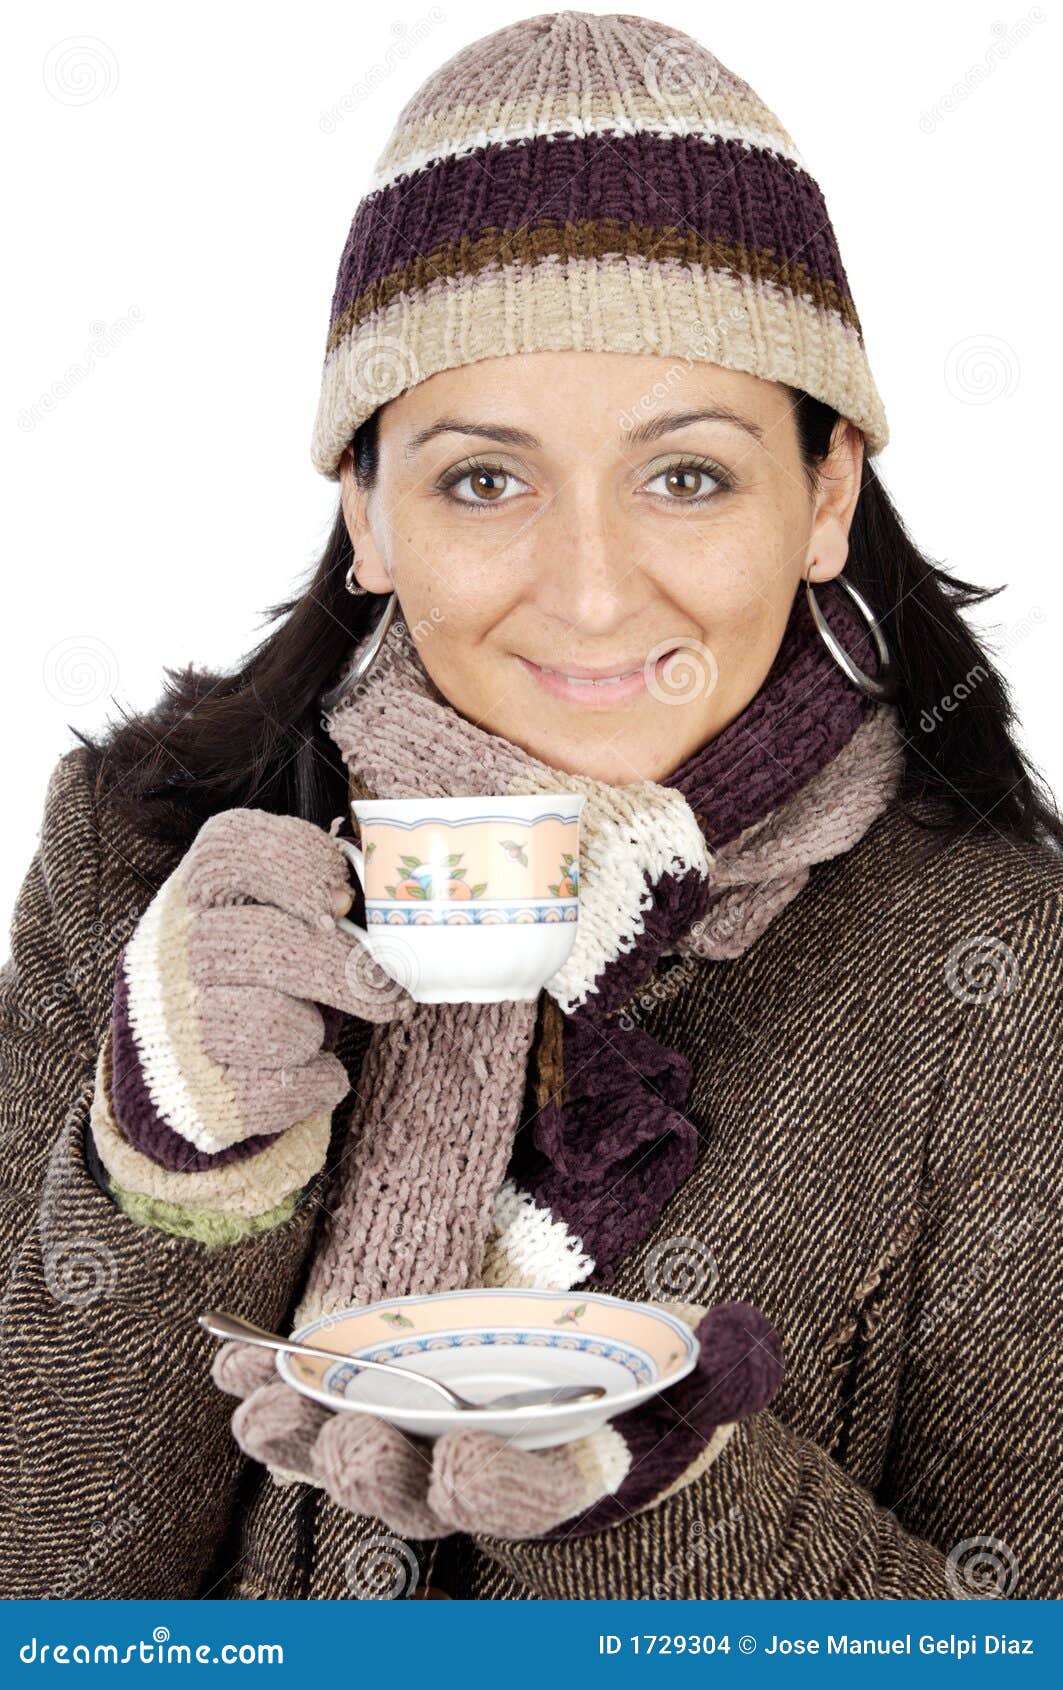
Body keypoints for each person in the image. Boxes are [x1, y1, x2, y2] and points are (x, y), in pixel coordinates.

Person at [2, 11, 1060, 1601]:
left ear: (826, 493)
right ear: (364, 507)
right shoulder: (141, 865)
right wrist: (169, 1173)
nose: (586, 588)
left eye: (686, 475)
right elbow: (36, 1599)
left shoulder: (995, 965)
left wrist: (670, 1498)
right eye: (484, 478)